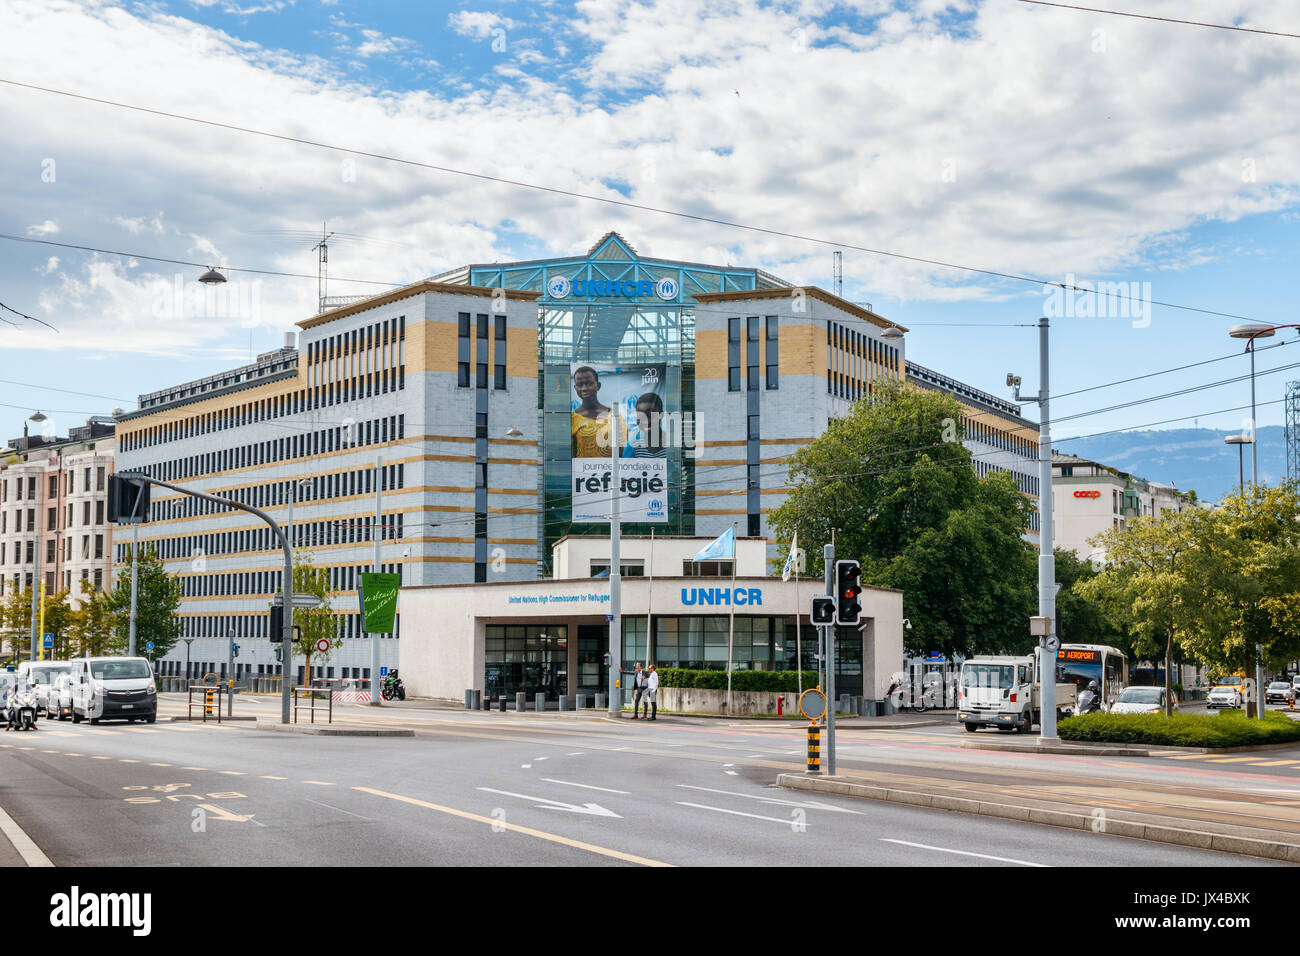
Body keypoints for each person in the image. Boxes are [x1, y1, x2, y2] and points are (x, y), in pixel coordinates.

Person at [570, 367, 627, 458]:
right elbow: (570, 455)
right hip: (582, 471)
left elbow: (621, 451)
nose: (584, 388)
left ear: (598, 386)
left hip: (611, 470)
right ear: (575, 388)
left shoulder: (615, 416)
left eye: (589, 384)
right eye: (580, 385)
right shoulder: (572, 419)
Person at [632, 392, 668, 458]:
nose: (646, 421)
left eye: (650, 415)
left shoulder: (672, 444)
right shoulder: (634, 446)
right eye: (641, 416)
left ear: (661, 415)